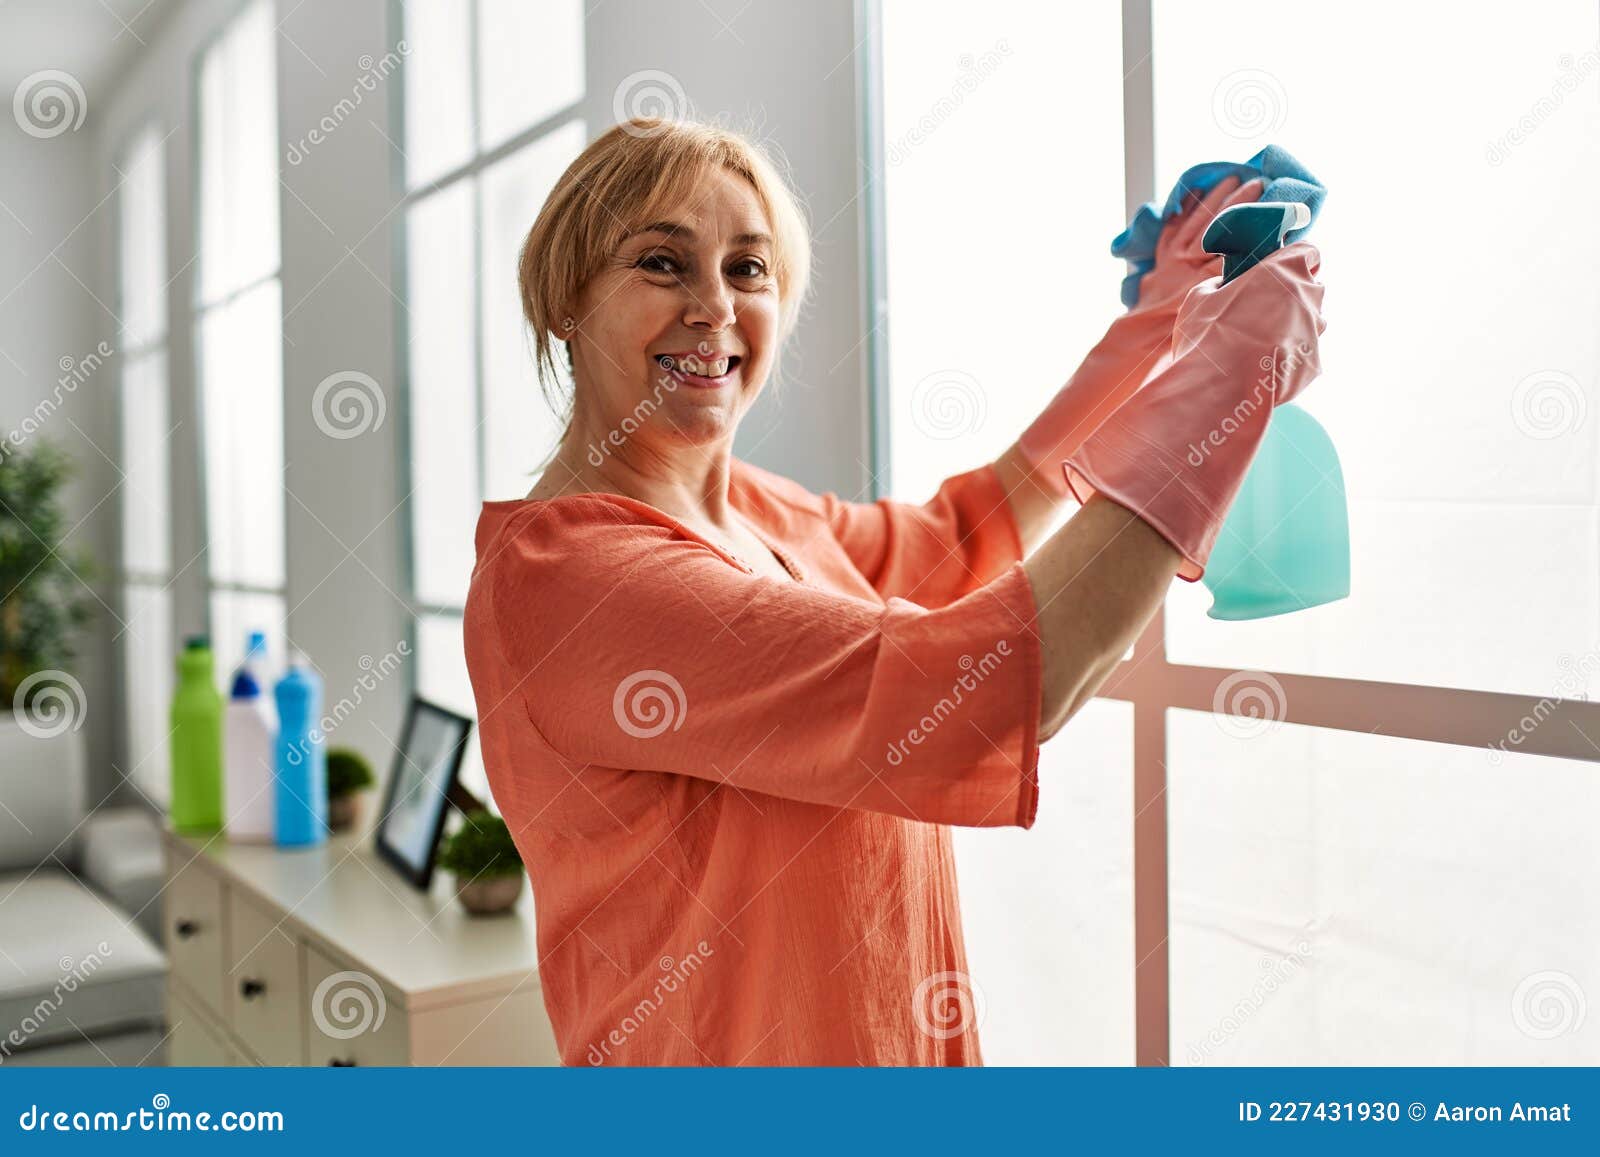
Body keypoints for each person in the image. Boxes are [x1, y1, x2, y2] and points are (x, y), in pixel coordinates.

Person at [462, 117, 1326, 1065]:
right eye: (662, 263)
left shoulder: (753, 510)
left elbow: (965, 535)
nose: (714, 305)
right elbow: (986, 687)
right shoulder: (573, 581)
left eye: (749, 269)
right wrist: (1227, 379)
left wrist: (1160, 318)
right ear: (563, 302)